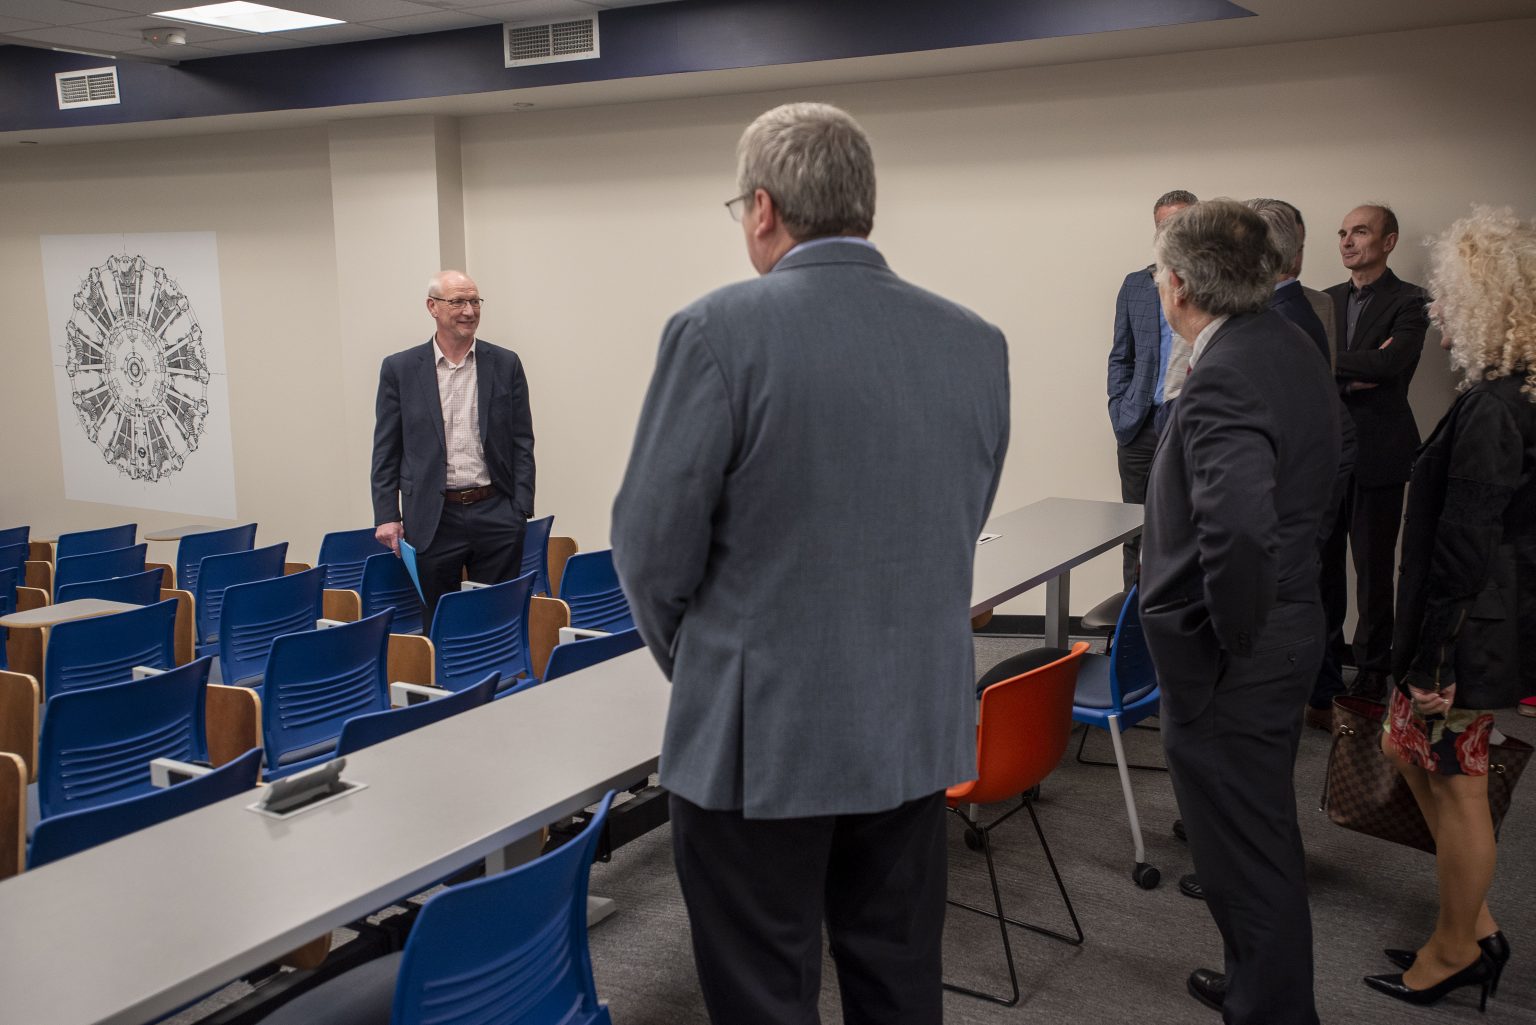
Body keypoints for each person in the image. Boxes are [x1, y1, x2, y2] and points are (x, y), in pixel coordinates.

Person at [611, 102, 1009, 1025]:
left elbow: (647, 543)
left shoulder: (715, 331)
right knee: (899, 978)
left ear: (761, 208)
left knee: (764, 991)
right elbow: (962, 516)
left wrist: (714, 658)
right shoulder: (974, 340)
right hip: (911, 723)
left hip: (762, 741)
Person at [1139, 199, 1339, 1023]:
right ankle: (1258, 978)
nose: (1156, 283)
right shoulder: (1286, 343)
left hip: (1240, 656)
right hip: (1287, 631)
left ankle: (1272, 1008)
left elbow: (1239, 530)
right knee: (1251, 837)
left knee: (1246, 850)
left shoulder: (1224, 369)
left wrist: (1228, 640)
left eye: (1157, 271)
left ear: (1181, 284)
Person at [1364, 205, 1536, 1009]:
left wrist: (1433, 661)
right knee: (1412, 755)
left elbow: (1467, 546)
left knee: (1459, 781)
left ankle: (1453, 948)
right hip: (1473, 625)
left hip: (1465, 635)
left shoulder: (1498, 406)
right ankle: (1476, 924)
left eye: (1448, 293)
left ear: (1484, 299)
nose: (1435, 308)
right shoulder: (1504, 393)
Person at [370, 270, 535, 616]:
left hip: (496, 511)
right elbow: (387, 450)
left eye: (474, 301)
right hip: (432, 517)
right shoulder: (400, 369)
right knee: (439, 617)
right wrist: (387, 514)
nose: (469, 311)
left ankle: (497, 672)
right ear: (432, 307)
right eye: (457, 301)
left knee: (498, 615)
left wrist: (520, 508)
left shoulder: (505, 363)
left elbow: (522, 440)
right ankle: (446, 673)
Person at [1322, 205, 1429, 699]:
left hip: (1381, 453)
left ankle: (1371, 673)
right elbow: (1304, 372)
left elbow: (1390, 367)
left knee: (1373, 571)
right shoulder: (1323, 301)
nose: (1347, 241)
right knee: (1320, 567)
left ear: (1388, 241)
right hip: (1324, 452)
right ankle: (1322, 667)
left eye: (1360, 231)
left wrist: (1333, 366)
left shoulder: (1411, 301)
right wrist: (1355, 373)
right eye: (1343, 233)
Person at [1108, 188, 1196, 589]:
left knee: (1189, 528)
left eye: (1180, 223)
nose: (1171, 232)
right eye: (1164, 225)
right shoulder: (1135, 285)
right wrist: (1119, 408)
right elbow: (1120, 356)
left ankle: (1180, 630)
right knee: (1135, 532)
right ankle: (1132, 629)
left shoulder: (1216, 286)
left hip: (1191, 422)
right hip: (1140, 425)